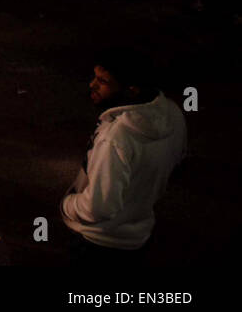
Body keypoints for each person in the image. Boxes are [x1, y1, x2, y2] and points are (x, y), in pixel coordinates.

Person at [62, 48, 186, 264]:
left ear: (131, 91)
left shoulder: (116, 138)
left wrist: (68, 204)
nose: (92, 85)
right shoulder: (172, 113)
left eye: (103, 81)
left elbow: (98, 208)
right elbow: (177, 160)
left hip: (97, 242)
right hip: (138, 234)